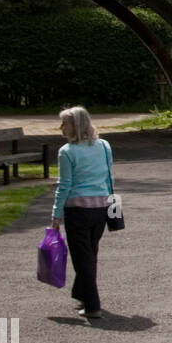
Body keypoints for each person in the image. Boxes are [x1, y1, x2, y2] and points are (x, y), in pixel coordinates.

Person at [50, 106, 114, 320]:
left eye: (64, 123)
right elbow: (109, 178)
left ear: (75, 126)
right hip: (101, 207)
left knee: (82, 258)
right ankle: (82, 294)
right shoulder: (104, 146)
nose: (61, 127)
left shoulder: (67, 151)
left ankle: (92, 305)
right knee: (90, 253)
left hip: (78, 209)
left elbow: (65, 185)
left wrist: (55, 215)